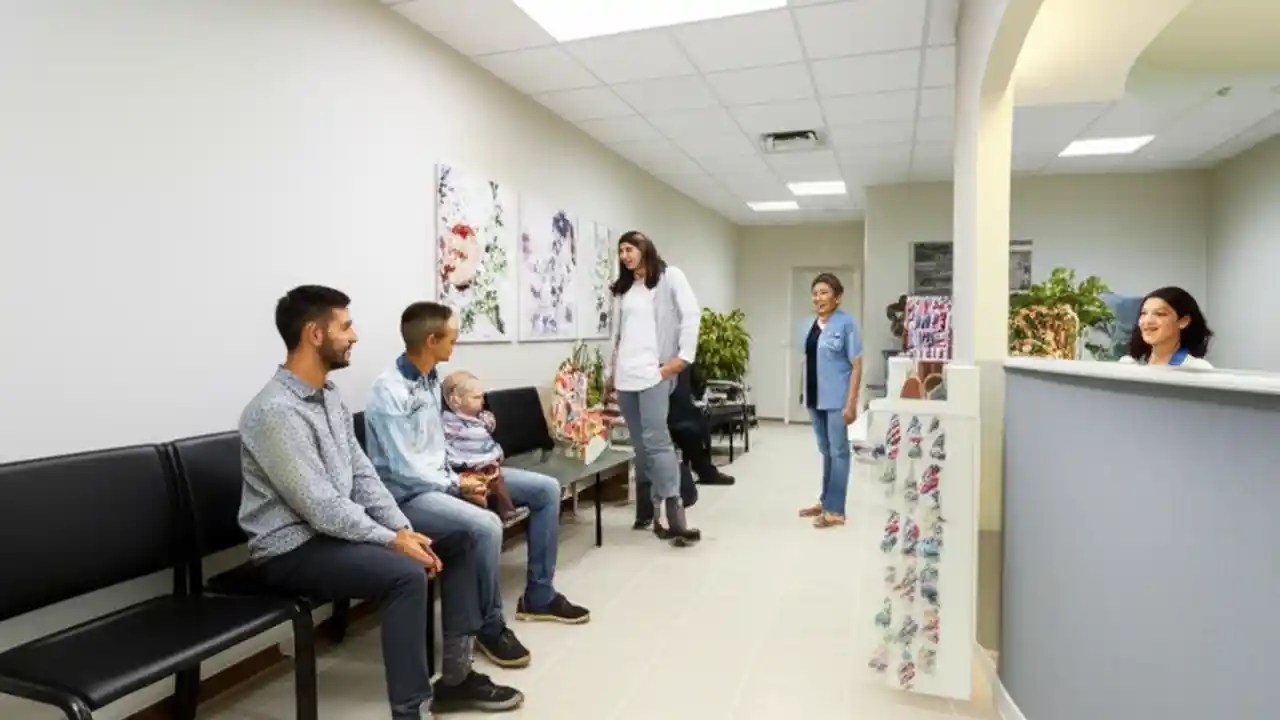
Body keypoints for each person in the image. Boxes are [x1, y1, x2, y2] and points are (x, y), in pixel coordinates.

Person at [238, 285, 519, 720]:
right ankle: (411, 711)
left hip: (331, 534)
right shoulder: (275, 411)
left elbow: (363, 477)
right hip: (290, 547)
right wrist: (392, 540)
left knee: (459, 538)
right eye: (345, 326)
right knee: (406, 574)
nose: (354, 336)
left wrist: (402, 529)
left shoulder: (328, 397)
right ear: (314, 334)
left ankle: (457, 679)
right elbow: (321, 506)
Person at [365, 302, 590, 671]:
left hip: (447, 475)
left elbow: (438, 443)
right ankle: (490, 625)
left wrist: (473, 470)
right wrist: (459, 483)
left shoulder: (432, 378)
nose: (456, 343)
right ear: (431, 339)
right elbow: (406, 469)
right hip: (409, 495)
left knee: (546, 490)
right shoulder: (388, 392)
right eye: (451, 337)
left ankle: (539, 594)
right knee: (484, 526)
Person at [608, 230, 702, 546]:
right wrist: (611, 373)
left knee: (657, 441)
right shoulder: (623, 288)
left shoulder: (669, 277)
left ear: (645, 248)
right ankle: (651, 512)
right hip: (625, 377)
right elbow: (617, 335)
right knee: (640, 447)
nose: (625, 255)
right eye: (621, 250)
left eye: (630, 248)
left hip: (654, 374)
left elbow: (691, 315)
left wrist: (681, 360)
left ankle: (676, 514)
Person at [632, 364, 734, 531]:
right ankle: (652, 509)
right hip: (660, 411)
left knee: (693, 429)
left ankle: (701, 475)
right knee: (650, 451)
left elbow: (694, 387)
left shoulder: (683, 361)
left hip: (677, 411)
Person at [798, 273, 862, 529]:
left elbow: (856, 365)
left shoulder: (847, 324)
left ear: (837, 296)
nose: (818, 298)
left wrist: (852, 403)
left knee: (839, 452)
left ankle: (836, 510)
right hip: (815, 398)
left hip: (837, 399)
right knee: (825, 451)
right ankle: (825, 501)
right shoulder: (812, 325)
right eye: (815, 293)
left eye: (824, 292)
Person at [441, 370, 528, 525]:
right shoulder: (449, 423)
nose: (482, 401)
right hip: (466, 468)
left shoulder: (480, 418)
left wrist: (490, 454)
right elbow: (456, 446)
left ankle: (506, 510)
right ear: (455, 401)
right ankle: (487, 518)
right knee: (479, 493)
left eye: (482, 396)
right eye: (476, 397)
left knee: (497, 481)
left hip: (486, 465)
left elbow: (485, 435)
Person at [1119, 286, 1214, 369]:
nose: (1147, 321)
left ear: (1183, 321)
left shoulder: (1198, 369)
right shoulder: (1128, 365)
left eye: (1160, 314)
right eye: (1143, 313)